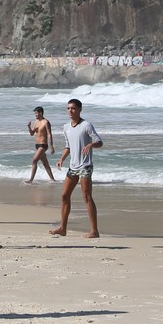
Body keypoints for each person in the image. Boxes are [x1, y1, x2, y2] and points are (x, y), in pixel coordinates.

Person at [50, 98, 104, 238]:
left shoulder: (86, 125)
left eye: (73, 108)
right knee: (64, 195)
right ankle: (63, 228)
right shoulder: (66, 127)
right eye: (68, 108)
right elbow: (68, 146)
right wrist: (61, 159)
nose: (70, 111)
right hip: (73, 167)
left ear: (80, 110)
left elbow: (99, 141)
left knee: (87, 197)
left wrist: (91, 145)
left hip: (85, 166)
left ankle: (94, 231)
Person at [26, 106, 56, 183]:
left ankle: (31, 179)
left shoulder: (46, 122)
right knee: (45, 164)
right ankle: (52, 179)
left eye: (36, 113)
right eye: (35, 113)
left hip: (43, 145)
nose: (35, 115)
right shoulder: (36, 122)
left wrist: (51, 146)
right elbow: (32, 134)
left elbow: (49, 134)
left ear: (40, 113)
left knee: (34, 161)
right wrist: (29, 127)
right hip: (37, 145)